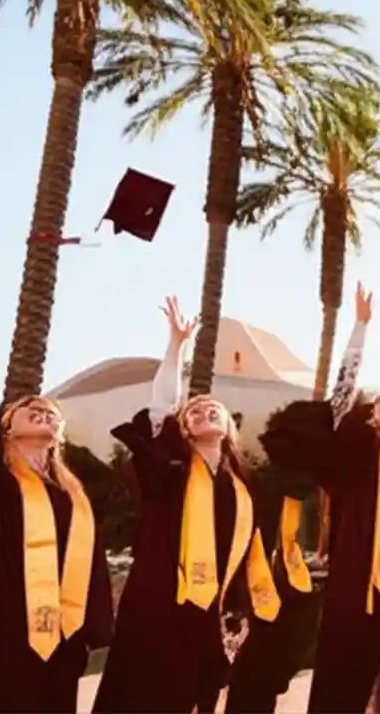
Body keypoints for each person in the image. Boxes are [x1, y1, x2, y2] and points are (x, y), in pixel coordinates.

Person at [257, 284, 380, 714]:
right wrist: (359, 328)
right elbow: (341, 398)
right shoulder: (354, 460)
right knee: (341, 686)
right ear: (371, 417)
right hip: (355, 593)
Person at [94, 297, 281, 713]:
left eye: (212, 408)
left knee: (199, 699)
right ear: (184, 429)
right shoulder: (170, 469)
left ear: (229, 427)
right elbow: (161, 411)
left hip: (213, 612)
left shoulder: (244, 487)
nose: (202, 412)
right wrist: (176, 347)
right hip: (159, 607)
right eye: (193, 412)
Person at [0, 396, 113, 713]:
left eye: (50, 412)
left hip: (64, 636)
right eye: (30, 409)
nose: (42, 412)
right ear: (6, 429)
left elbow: (92, 562)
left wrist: (95, 626)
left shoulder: (75, 496)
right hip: (0, 627)